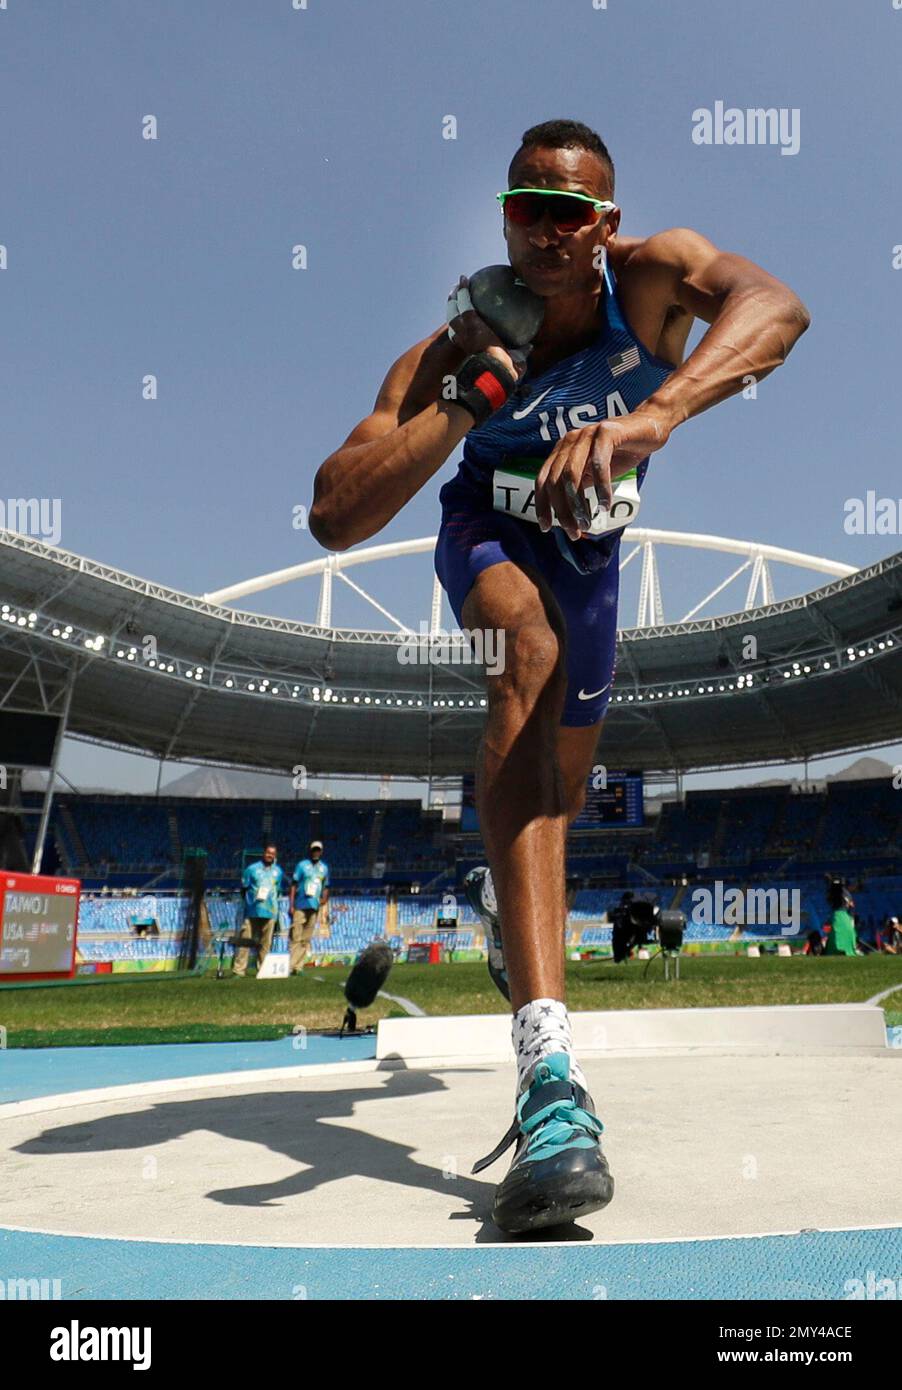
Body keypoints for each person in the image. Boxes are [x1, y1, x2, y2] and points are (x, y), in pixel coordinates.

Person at [309, 118, 809, 1234]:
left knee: (560, 797)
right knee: (520, 663)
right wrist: (462, 401)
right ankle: (549, 1084)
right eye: (526, 205)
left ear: (604, 226)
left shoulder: (650, 282)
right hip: (486, 538)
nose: (546, 228)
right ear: (503, 217)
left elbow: (775, 309)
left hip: (591, 561)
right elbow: (334, 515)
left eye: (569, 210)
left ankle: (503, 904)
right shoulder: (456, 345)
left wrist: (652, 415)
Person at [233, 842, 284, 977]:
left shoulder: (278, 871)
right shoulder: (251, 869)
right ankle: (239, 970)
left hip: (270, 912)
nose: (270, 856)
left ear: (275, 856)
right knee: (245, 940)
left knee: (265, 943)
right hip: (252, 911)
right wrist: (250, 903)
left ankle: (263, 970)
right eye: (268, 853)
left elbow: (278, 891)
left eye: (272, 854)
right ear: (263, 853)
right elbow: (244, 889)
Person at [289, 839, 330, 974]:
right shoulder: (301, 865)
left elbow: (326, 886)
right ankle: (290, 966)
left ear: (321, 851)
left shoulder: (324, 868)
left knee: (306, 939)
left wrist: (324, 898)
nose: (316, 852)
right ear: (310, 850)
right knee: (296, 936)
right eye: (314, 850)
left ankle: (298, 967)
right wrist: (291, 904)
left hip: (314, 907)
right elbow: (293, 885)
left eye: (318, 850)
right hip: (300, 904)